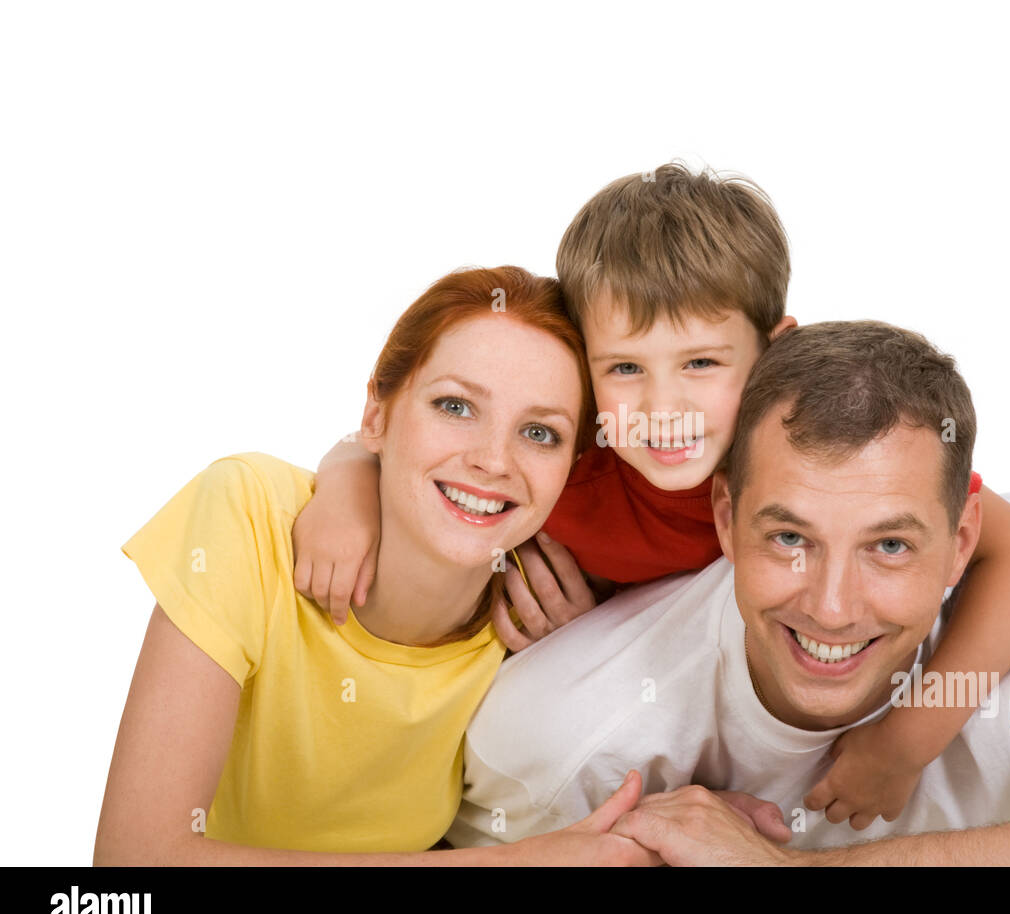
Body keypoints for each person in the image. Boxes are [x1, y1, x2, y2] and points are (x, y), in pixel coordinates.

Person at [293, 162, 1010, 828]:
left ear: (776, 348)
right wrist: (347, 482)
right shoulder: (569, 454)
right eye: (626, 369)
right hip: (516, 752)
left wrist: (903, 746)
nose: (663, 410)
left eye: (701, 363)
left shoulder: (810, 454)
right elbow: (414, 440)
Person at [444, 320, 1010, 866]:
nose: (833, 608)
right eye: (790, 538)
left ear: (964, 539)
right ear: (724, 521)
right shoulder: (565, 731)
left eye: (891, 546)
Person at [96, 265, 698, 865]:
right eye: (455, 406)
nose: (492, 460)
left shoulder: (540, 613)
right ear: (376, 416)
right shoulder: (250, 514)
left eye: (540, 432)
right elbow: (133, 862)